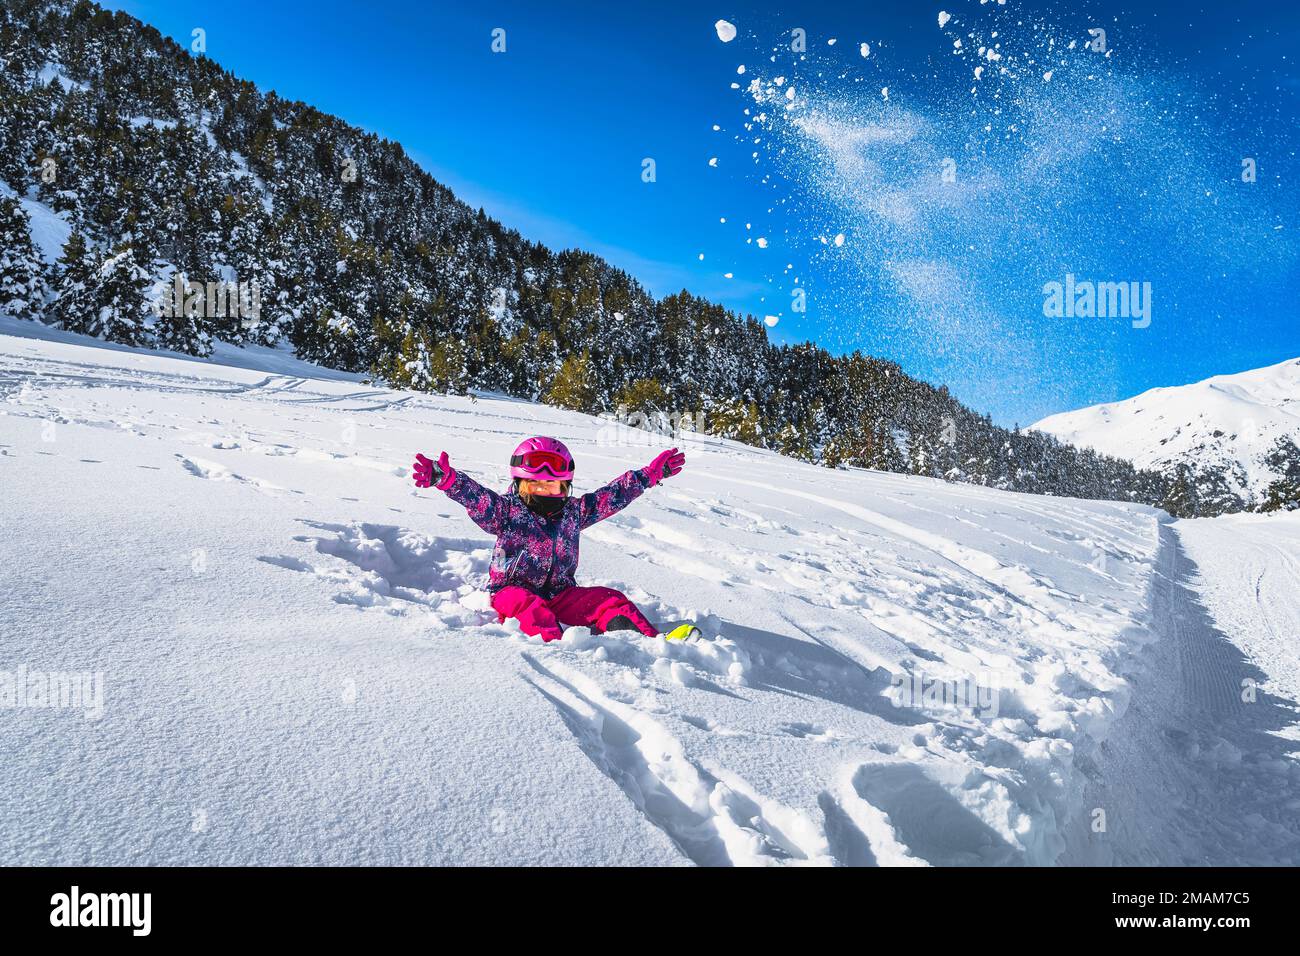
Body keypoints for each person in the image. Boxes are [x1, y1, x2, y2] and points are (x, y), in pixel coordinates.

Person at [411, 436, 696, 642]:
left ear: (566, 486)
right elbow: (476, 498)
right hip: (511, 593)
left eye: (553, 486)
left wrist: (648, 476)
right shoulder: (505, 512)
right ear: (519, 483)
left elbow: (613, 496)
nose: (544, 492)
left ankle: (647, 643)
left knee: (610, 599)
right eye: (535, 485)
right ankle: (557, 650)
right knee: (531, 607)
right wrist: (446, 479)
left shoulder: (574, 512)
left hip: (561, 593)